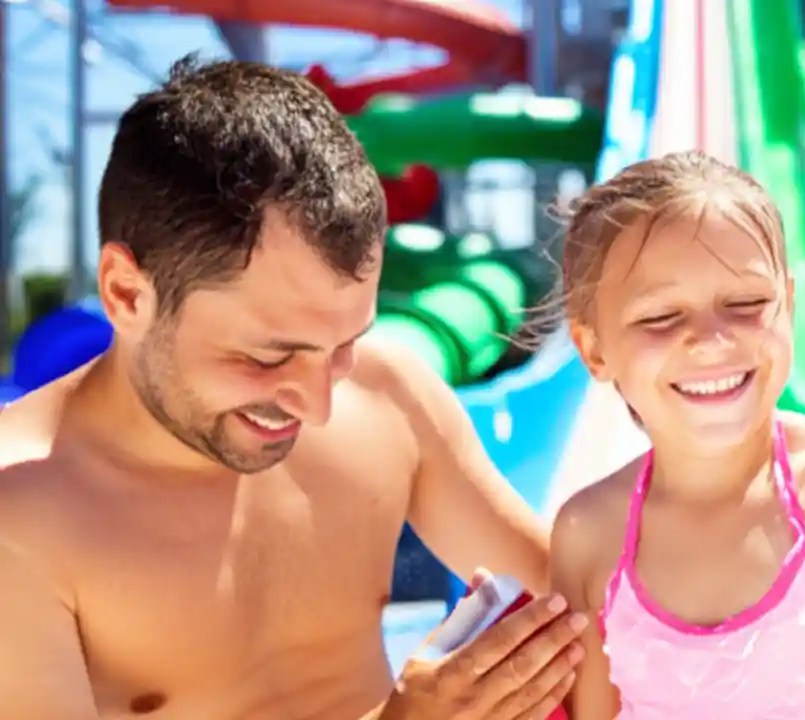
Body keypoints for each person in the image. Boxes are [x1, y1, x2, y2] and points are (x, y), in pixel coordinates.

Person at [0, 57, 586, 720]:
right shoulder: (20, 520)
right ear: (126, 293)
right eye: (266, 358)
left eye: (343, 346)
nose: (319, 405)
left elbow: (595, 618)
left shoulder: (387, 395)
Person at [549, 151, 805, 719]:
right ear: (594, 349)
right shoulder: (588, 534)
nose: (710, 339)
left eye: (746, 304)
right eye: (660, 318)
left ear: (789, 306)